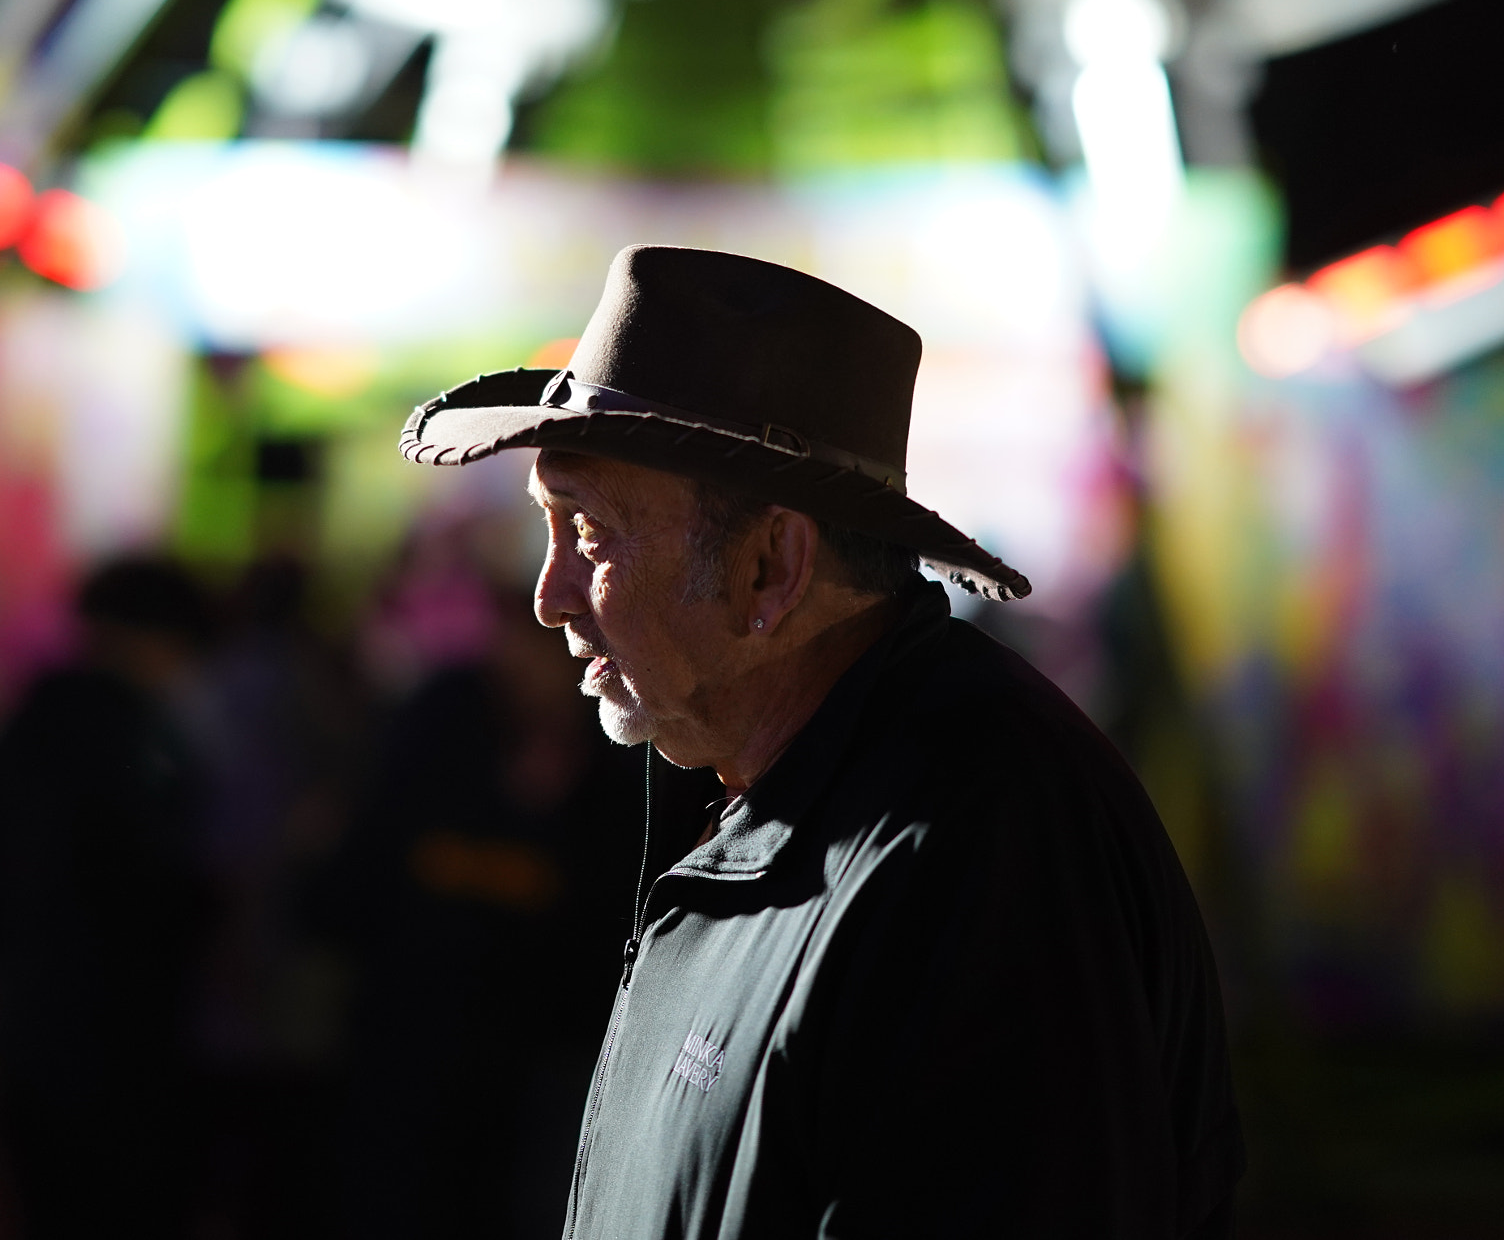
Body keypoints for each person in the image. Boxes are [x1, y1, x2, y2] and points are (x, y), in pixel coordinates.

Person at [397, 245, 1243, 1239]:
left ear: (769, 566)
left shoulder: (979, 848)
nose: (549, 598)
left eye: (588, 534)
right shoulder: (787, 788)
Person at [320, 586, 639, 1240]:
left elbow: (606, 913)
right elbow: (369, 869)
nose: (525, 662)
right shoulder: (442, 723)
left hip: (540, 1060)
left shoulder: (616, 750)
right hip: (414, 1044)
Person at [0, 557, 214, 1240]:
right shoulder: (137, 742)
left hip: (34, 1019)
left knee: (50, 1200)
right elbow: (156, 883)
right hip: (116, 1032)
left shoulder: (29, 725)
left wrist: (2, 950)